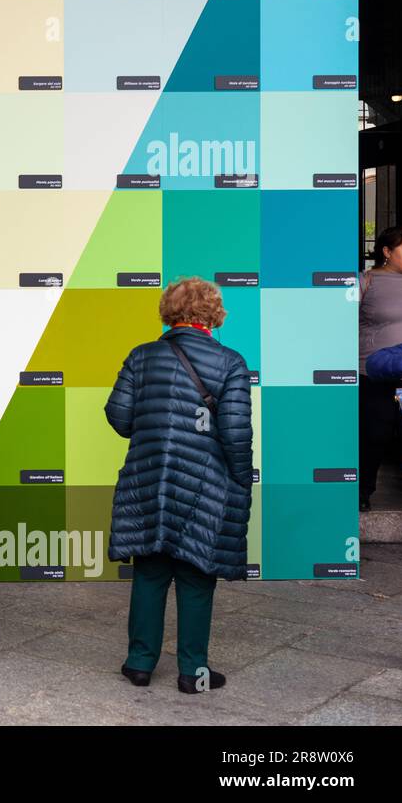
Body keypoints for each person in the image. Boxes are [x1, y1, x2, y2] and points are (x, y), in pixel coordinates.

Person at [105, 277, 252, 694]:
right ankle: (193, 672)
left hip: (148, 479)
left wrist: (157, 424)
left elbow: (119, 418)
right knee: (197, 574)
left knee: (150, 572)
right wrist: (240, 481)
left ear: (169, 311)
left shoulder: (142, 356)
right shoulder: (231, 362)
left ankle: (139, 664)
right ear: (213, 313)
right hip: (205, 484)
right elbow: (237, 433)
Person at [358, 227, 402, 511]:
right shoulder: (367, 280)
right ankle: (363, 491)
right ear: (386, 252)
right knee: (375, 434)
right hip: (372, 374)